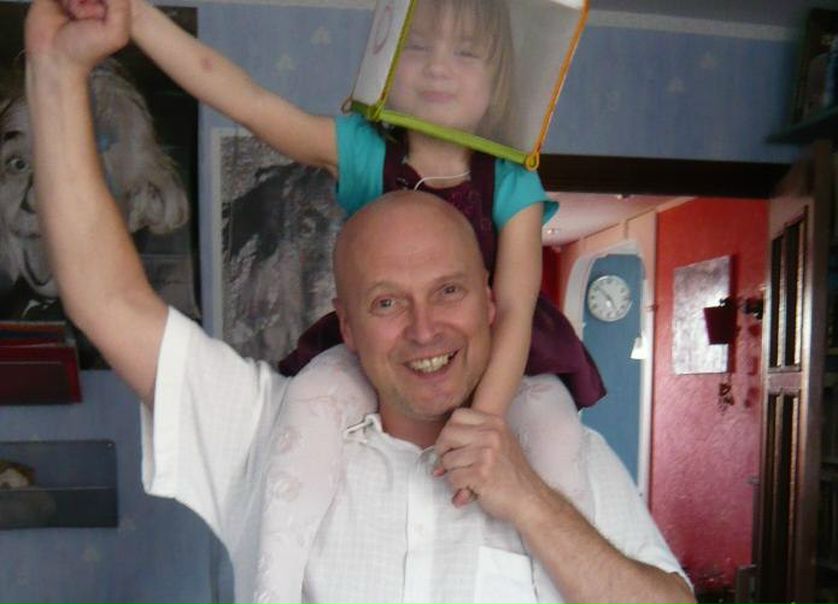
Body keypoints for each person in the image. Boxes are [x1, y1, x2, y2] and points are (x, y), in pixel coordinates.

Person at [25, 2, 695, 603]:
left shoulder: (564, 456)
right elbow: (108, 299)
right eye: (386, 303)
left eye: (449, 290)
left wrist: (530, 500)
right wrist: (56, 68)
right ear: (344, 323)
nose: (424, 329)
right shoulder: (267, 436)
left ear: (488, 303)